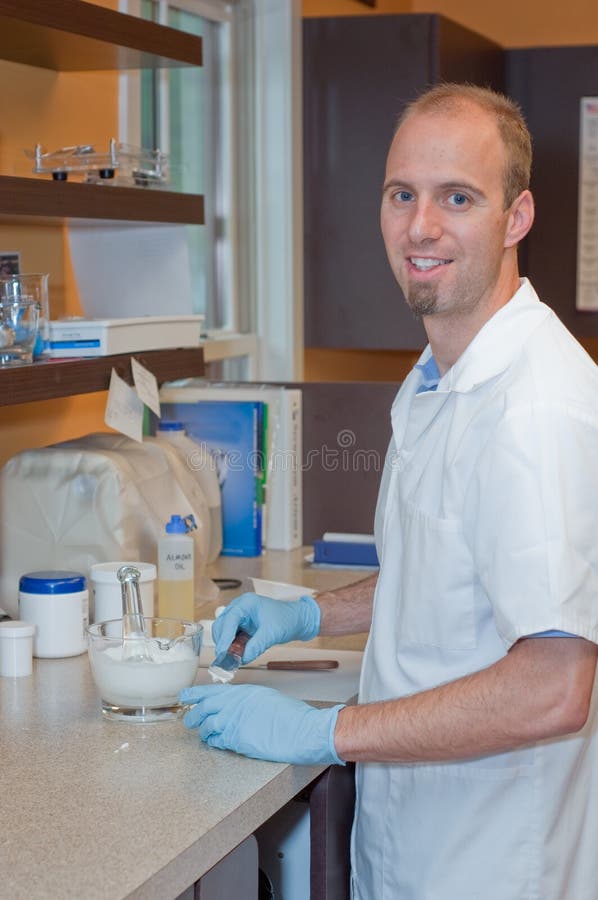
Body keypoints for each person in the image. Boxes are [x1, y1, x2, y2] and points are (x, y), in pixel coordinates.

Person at [181, 84, 598, 899]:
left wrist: (327, 731)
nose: (421, 226)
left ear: (516, 217)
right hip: (415, 843)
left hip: (490, 866)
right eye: (402, 194)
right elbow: (441, 571)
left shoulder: (535, 409)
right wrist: (307, 614)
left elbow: (554, 686)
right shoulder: (441, 376)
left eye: (458, 198)